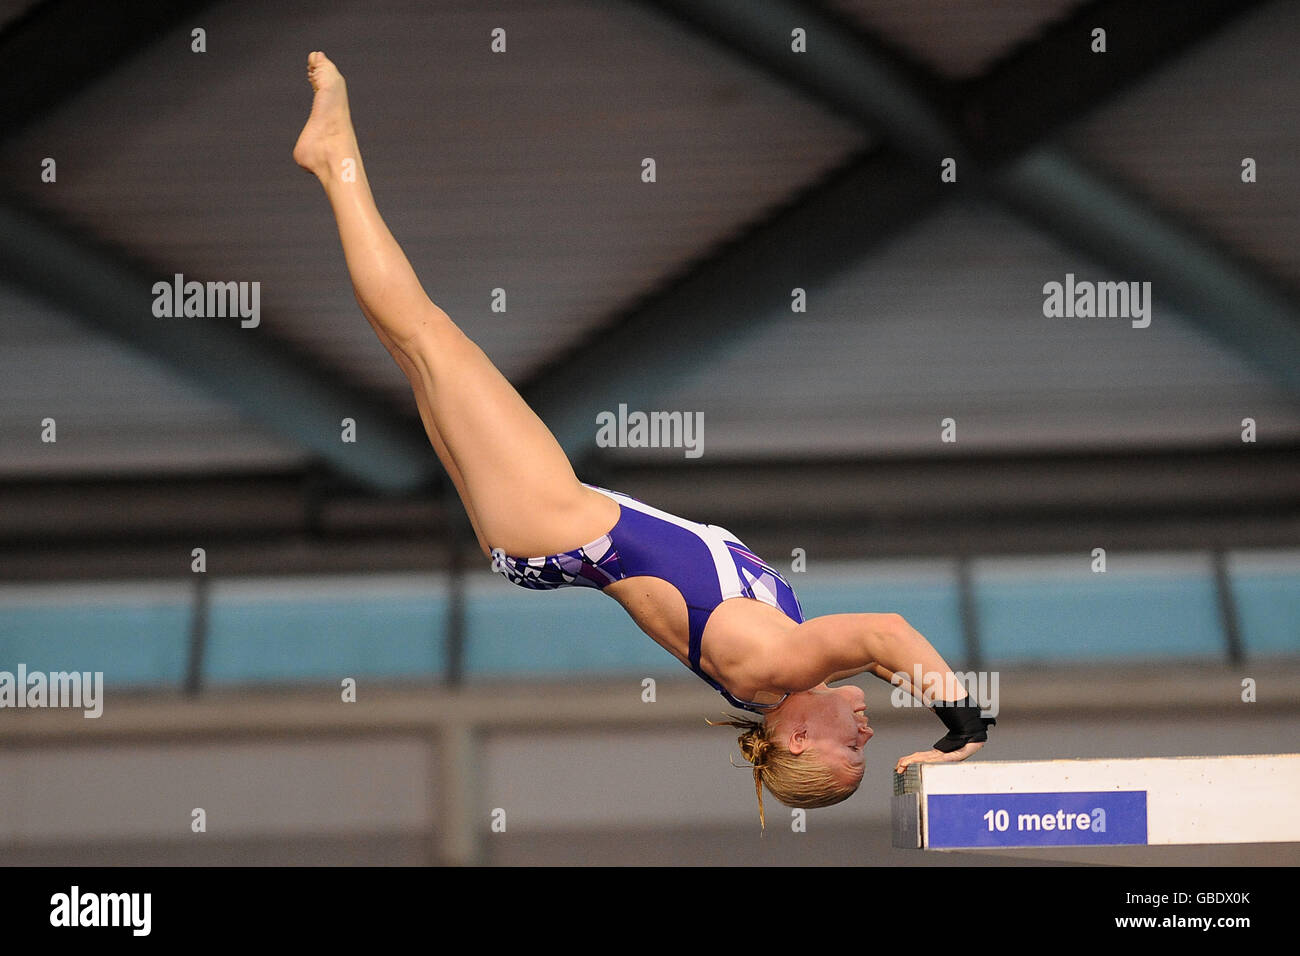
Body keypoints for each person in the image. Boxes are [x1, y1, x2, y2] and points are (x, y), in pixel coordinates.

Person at [293, 52, 993, 828]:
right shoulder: (781, 663)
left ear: (795, 737)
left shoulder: (773, 667)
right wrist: (942, 707)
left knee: (424, 332)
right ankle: (332, 164)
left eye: (851, 751)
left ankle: (335, 161)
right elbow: (872, 650)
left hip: (548, 519)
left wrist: (965, 724)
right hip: (540, 533)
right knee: (413, 342)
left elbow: (882, 635)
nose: (866, 734)